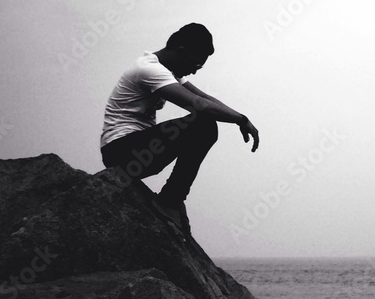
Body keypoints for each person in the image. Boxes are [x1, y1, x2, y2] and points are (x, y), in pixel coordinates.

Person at [99, 22, 259, 235]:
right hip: (120, 152)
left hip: (138, 153)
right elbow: (200, 105)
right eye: (196, 65)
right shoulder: (148, 69)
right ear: (181, 51)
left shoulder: (167, 70)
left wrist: (242, 117)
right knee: (203, 124)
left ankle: (173, 199)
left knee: (204, 123)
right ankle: (170, 200)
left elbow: (204, 97)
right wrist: (240, 120)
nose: (194, 71)